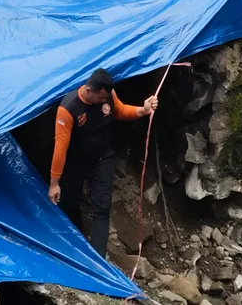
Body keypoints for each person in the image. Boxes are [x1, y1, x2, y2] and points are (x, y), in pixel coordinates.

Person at [48, 68, 159, 255]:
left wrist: (142, 110)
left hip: (102, 158)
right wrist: (54, 183)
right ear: (88, 90)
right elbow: (60, 147)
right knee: (69, 205)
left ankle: (98, 258)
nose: (103, 101)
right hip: (75, 162)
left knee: (102, 207)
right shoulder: (68, 108)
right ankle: (74, 250)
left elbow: (120, 110)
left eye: (105, 97)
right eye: (100, 98)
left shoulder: (108, 95)